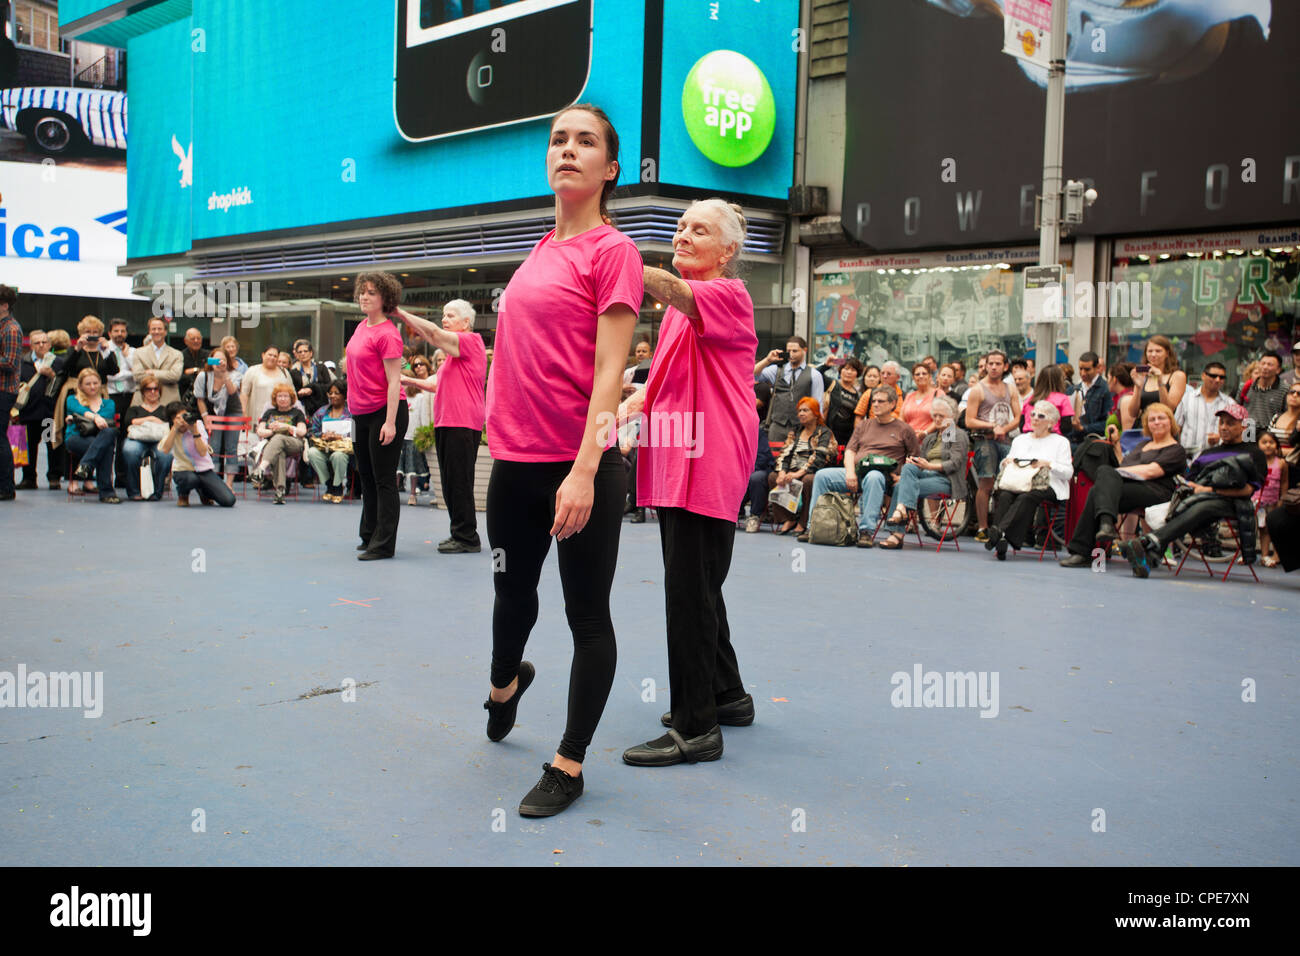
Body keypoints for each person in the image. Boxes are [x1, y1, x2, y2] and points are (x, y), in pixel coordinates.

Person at [481, 104, 640, 817]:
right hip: (514, 462)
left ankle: (569, 763)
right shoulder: (539, 252)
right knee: (510, 596)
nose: (567, 149)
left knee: (587, 616)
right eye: (557, 139)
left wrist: (584, 467)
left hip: (579, 466)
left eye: (585, 142)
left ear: (610, 169)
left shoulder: (614, 253)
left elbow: (610, 372)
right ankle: (505, 683)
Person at [621, 197, 758, 767]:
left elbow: (672, 290)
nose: (682, 235)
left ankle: (696, 729)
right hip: (683, 459)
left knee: (688, 595)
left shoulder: (724, 294)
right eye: (679, 226)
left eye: (698, 231)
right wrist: (633, 401)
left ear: (727, 251)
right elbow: (669, 382)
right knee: (701, 587)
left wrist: (619, 260)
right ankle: (727, 695)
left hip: (707, 462)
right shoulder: (682, 313)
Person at [1121, 404, 1264, 577]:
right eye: (1222, 423)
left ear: (1243, 426)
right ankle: (1150, 555)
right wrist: (1189, 487)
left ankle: (1148, 541)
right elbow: (1189, 480)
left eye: (1230, 423)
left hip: (1233, 502)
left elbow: (1248, 491)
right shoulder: (1208, 453)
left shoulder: (1253, 453)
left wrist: (1208, 490)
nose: (1224, 427)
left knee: (1203, 506)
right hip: (1194, 498)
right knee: (1181, 502)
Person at [393, 297, 487, 552]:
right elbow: (435, 384)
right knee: (450, 480)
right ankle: (460, 532)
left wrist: (401, 313)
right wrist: (405, 379)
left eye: (451, 315)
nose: (445, 319)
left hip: (462, 422)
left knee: (459, 480)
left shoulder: (470, 342)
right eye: (444, 315)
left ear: (466, 322)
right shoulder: (453, 358)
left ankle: (467, 537)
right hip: (448, 422)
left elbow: (433, 333)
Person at [1060, 403, 1187, 567]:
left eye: (1161, 418)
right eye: (1152, 419)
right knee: (1101, 483)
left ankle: (1084, 550)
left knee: (1100, 486)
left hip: (1156, 492)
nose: (1156, 422)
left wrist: (1123, 471)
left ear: (1170, 422)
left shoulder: (1176, 450)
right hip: (1130, 488)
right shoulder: (1142, 446)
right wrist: (1117, 449)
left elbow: (1151, 471)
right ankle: (1104, 526)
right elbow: (1122, 467)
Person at [807, 385, 919, 547]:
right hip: (857, 472)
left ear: (893, 404)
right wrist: (850, 473)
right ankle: (814, 526)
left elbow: (915, 459)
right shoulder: (864, 425)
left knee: (874, 476)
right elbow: (850, 451)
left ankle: (866, 531)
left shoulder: (904, 429)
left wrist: (903, 476)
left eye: (881, 401)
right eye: (874, 401)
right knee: (822, 476)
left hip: (884, 478)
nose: (876, 404)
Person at [347, 274, 409, 555]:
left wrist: (390, 422)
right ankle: (369, 533)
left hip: (385, 411)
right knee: (366, 476)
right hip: (359, 414)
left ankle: (384, 544)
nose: (364, 297)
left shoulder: (388, 333)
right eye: (362, 292)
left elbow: (395, 381)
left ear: (385, 299)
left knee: (384, 479)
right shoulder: (362, 327)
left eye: (371, 293)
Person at [984, 400, 1073, 560]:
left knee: (1028, 496)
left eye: (1041, 416)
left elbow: (1068, 473)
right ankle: (1001, 539)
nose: (1035, 418)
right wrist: (1006, 462)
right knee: (1004, 495)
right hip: (1018, 482)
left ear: (1051, 422)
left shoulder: (1061, 442)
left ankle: (998, 532)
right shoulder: (1020, 440)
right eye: (1033, 414)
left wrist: (1049, 464)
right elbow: (1009, 461)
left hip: (1049, 484)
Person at [877, 394, 968, 549]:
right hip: (925, 475)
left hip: (945, 479)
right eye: (935, 416)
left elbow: (955, 463)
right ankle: (900, 513)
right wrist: (908, 474)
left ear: (951, 417)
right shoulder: (930, 438)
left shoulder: (957, 435)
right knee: (909, 466)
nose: (938, 419)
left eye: (942, 416)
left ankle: (896, 533)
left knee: (901, 486)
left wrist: (930, 467)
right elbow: (919, 463)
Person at [965, 350, 1020, 542]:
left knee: (1006, 484)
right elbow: (969, 420)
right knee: (986, 483)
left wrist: (1004, 429)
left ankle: (1000, 527)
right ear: (986, 365)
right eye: (991, 363)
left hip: (1005, 440)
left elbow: (1019, 417)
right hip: (984, 440)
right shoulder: (978, 390)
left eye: (998, 363)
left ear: (1005, 366)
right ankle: (982, 527)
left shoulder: (1010, 388)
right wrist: (992, 426)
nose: (994, 367)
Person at [769, 397, 837, 537]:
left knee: (808, 481)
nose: (801, 413)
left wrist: (797, 474)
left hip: (812, 470)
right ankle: (789, 518)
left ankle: (804, 521)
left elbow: (820, 457)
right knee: (773, 477)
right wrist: (782, 472)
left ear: (815, 413)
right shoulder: (796, 431)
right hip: (793, 469)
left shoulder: (824, 432)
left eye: (805, 410)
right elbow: (785, 454)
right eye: (799, 411)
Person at [160, 401, 235, 507]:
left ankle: (204, 492)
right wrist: (175, 429)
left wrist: (195, 431)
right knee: (191, 479)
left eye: (184, 416)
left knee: (229, 500)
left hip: (203, 469)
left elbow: (202, 452)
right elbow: (165, 450)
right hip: (183, 470)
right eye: (178, 417)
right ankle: (183, 494)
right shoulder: (169, 429)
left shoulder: (197, 424)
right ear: (172, 419)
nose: (183, 420)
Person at [63, 368, 120, 503]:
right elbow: (81, 411)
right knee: (106, 444)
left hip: (100, 437)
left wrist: (78, 418)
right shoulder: (72, 399)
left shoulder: (109, 403)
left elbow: (105, 422)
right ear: (81, 385)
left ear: (100, 383)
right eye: (88, 384)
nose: (92, 386)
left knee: (108, 434)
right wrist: (95, 418)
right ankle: (106, 492)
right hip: (75, 438)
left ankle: (85, 464)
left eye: (95, 383)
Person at [16, 327, 62, 490]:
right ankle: (28, 478)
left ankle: (54, 477)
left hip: (49, 412)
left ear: (50, 344)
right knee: (29, 446)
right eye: (37, 342)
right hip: (29, 412)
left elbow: (62, 386)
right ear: (31, 345)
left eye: (44, 342)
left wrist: (52, 376)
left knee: (52, 444)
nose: (41, 345)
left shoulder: (57, 363)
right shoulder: (23, 363)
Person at [755, 335, 824, 442]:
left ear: (804, 350)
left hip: (802, 426)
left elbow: (818, 404)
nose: (791, 354)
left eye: (795, 351)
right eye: (788, 351)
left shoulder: (814, 375)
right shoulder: (777, 370)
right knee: (773, 458)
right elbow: (752, 374)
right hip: (777, 426)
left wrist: (816, 429)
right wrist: (768, 360)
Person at [194, 346, 245, 489]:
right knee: (213, 447)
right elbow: (200, 399)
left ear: (227, 362)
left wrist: (224, 374)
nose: (219, 362)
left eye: (222, 360)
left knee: (231, 448)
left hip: (233, 411)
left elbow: (232, 390)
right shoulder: (203, 376)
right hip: (213, 414)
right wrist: (205, 418)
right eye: (216, 359)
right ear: (210, 361)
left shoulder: (235, 374)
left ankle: (229, 484)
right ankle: (214, 482)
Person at [120, 373, 174, 501]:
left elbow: (171, 426)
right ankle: (134, 491)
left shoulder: (165, 410)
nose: (152, 392)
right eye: (149, 389)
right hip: (137, 439)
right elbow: (128, 421)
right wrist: (151, 419)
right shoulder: (134, 409)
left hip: (159, 440)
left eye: (155, 389)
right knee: (130, 451)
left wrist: (141, 421)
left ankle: (157, 492)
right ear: (143, 392)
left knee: (165, 455)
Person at [1120, 335, 1187, 435]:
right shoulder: (1143, 376)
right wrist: (1138, 387)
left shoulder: (1177, 376)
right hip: (1142, 430)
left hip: (1164, 430)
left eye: (1158, 351)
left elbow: (1169, 408)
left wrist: (1160, 381)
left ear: (1167, 353)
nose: (1153, 354)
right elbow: (1133, 413)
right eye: (1150, 351)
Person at [252, 383, 308, 504]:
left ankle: (261, 468)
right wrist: (272, 430)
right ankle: (280, 491)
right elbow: (260, 431)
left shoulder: (297, 413)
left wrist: (285, 426)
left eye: (285, 396)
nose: (282, 399)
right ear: (275, 398)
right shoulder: (269, 413)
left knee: (279, 438)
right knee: (279, 452)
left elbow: (302, 432)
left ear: (291, 398)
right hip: (274, 445)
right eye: (279, 396)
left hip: (294, 443)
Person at [306, 381, 354, 502]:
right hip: (324, 447)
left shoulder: (351, 413)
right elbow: (312, 431)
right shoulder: (321, 412)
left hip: (344, 449)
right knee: (312, 452)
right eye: (330, 393)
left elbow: (356, 434)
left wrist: (340, 437)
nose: (332, 396)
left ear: (344, 395)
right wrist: (322, 435)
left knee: (338, 456)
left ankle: (337, 486)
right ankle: (329, 484)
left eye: (336, 393)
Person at [1174, 361, 1232, 459]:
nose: (1217, 380)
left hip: (1217, 458)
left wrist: (1220, 438)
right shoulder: (1187, 399)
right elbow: (1176, 428)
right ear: (1203, 376)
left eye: (1221, 377)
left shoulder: (1229, 404)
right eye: (1213, 376)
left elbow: (1237, 433)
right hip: (1188, 458)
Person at [740, 381, 776, 532]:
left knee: (755, 477)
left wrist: (745, 470)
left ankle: (754, 516)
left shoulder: (757, 430)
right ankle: (734, 511)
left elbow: (762, 458)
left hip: (757, 471)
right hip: (739, 472)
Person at [397, 354, 433, 505]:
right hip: (400, 437)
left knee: (412, 468)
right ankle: (394, 494)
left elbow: (424, 417)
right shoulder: (397, 398)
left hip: (413, 437)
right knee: (397, 467)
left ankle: (412, 494)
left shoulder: (419, 398)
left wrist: (424, 435)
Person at [1252, 430, 1287, 567]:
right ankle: (1263, 555)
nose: (1268, 445)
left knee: (1273, 528)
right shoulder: (1255, 462)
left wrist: (1282, 500)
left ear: (1277, 446)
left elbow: (1284, 482)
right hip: (1257, 500)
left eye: (1271, 443)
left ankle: (1276, 555)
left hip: (1273, 501)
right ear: (1258, 445)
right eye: (1264, 442)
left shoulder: (1282, 463)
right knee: (1260, 528)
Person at [130, 317, 183, 405]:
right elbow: (138, 376)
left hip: (169, 401)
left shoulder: (177, 354)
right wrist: (165, 374)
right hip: (143, 401)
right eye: (153, 329)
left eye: (159, 329)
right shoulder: (138, 352)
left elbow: (175, 376)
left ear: (165, 331)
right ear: (149, 332)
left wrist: (152, 372)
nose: (156, 332)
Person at [239, 345, 293, 425]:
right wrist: (243, 412)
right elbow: (244, 393)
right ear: (263, 355)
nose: (272, 358)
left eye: (275, 356)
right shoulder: (252, 371)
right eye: (270, 355)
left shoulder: (284, 373)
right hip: (256, 418)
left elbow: (292, 394)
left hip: (280, 419)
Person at [0, 284, 20, 501]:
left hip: (4, 391)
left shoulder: (11, 329)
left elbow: (11, 362)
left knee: (0, 439)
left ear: (4, 305)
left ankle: (6, 487)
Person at [1018, 365, 1074, 436]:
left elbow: (1022, 424)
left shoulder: (1030, 399)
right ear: (1060, 380)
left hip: (1028, 437)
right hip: (1051, 437)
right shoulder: (1062, 399)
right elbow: (1066, 427)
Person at [822, 356, 863, 445]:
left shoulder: (858, 395)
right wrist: (826, 365)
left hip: (846, 439)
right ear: (840, 370)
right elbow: (815, 374)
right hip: (828, 435)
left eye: (853, 370)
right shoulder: (832, 384)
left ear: (857, 373)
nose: (849, 372)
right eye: (846, 368)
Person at [289, 338, 334, 419]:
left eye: (305, 351)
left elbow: (329, 386)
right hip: (302, 408)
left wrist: (313, 388)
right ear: (297, 355)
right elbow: (292, 392)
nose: (303, 354)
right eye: (300, 352)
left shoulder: (321, 368)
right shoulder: (293, 372)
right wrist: (301, 392)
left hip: (322, 407)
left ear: (311, 353)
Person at [1243, 351, 1287, 430]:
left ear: (1278, 370)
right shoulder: (1246, 386)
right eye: (1262, 363)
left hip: (1270, 434)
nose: (1265, 367)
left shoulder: (1285, 390)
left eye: (1270, 364)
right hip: (1248, 431)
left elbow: (1288, 414)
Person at [1075, 352, 1109, 442]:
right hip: (1073, 439)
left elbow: (1107, 422)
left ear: (1097, 368)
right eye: (1080, 369)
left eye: (1087, 369)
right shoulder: (1074, 389)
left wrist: (1084, 428)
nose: (1083, 373)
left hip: (1093, 442)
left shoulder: (1106, 389)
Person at [899, 362, 938, 438]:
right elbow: (901, 417)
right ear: (913, 378)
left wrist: (925, 432)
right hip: (909, 438)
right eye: (917, 374)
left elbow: (942, 418)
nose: (921, 376)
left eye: (924, 373)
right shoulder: (909, 396)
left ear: (930, 376)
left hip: (929, 439)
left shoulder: (938, 393)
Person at [1266, 383, 1300, 461]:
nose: (1294, 395)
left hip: (1293, 464)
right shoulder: (1276, 417)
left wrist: (1281, 451)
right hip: (1273, 461)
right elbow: (1267, 437)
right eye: (1292, 392)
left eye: (1299, 394)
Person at [178, 327, 206, 406]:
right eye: (193, 339)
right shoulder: (180, 356)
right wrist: (197, 370)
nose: (196, 341)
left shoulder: (208, 355)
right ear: (186, 341)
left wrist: (191, 371)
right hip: (185, 395)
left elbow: (208, 371)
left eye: (198, 338)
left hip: (204, 396)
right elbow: (180, 376)